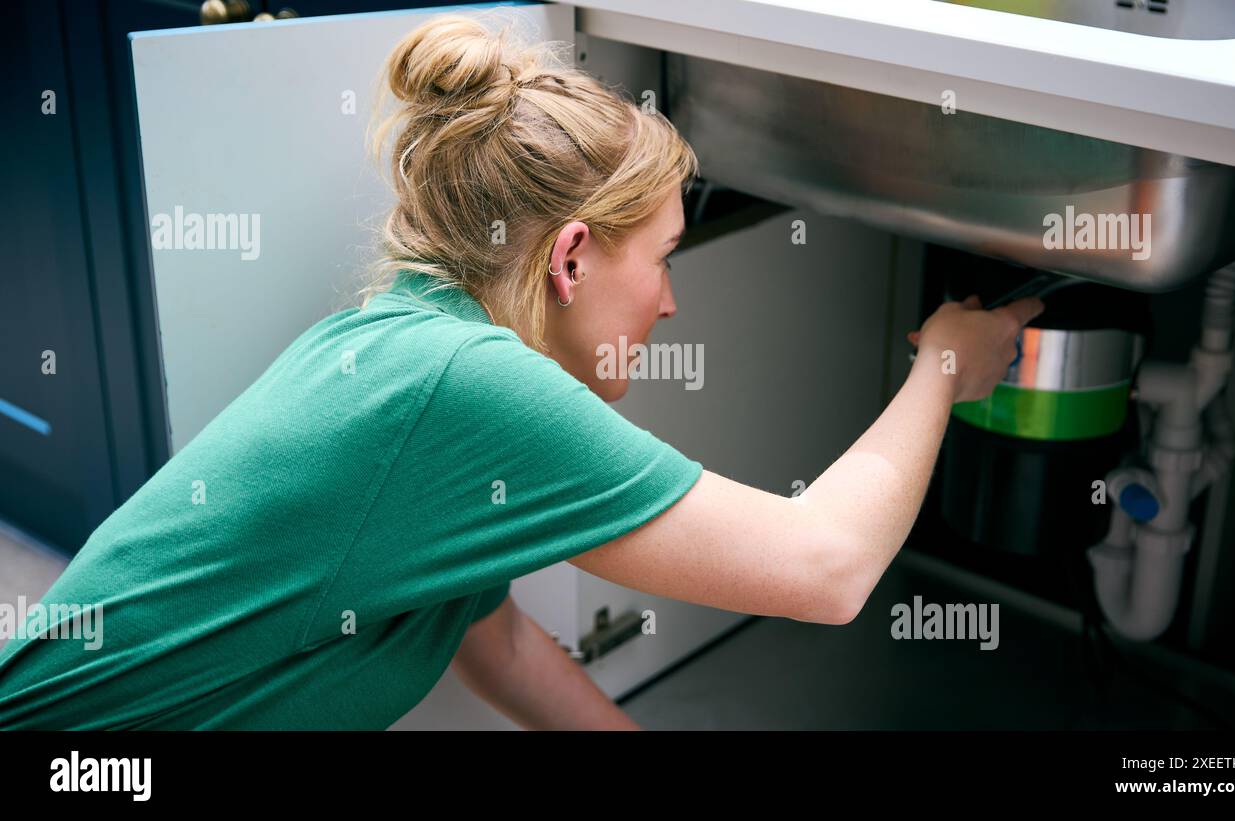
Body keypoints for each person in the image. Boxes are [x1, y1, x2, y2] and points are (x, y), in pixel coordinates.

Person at [0, 14, 1043, 730]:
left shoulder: (413, 343)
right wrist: (944, 363)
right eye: (665, 259)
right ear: (573, 256)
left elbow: (499, 645)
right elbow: (826, 567)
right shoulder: (467, 384)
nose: (671, 302)